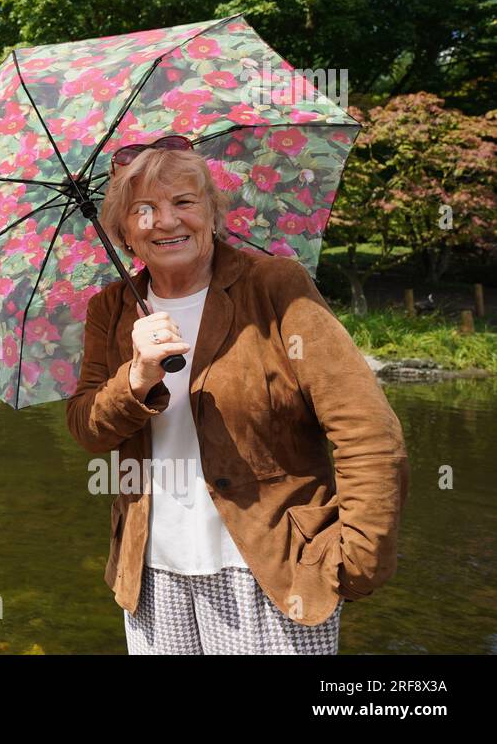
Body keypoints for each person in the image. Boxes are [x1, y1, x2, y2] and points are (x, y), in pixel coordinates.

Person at [66, 138, 408, 655]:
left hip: (276, 570)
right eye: (144, 209)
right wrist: (134, 379)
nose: (166, 222)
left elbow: (368, 432)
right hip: (152, 576)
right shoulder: (110, 310)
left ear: (211, 211)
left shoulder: (274, 286)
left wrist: (356, 559)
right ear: (121, 230)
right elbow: (87, 428)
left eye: (184, 202)